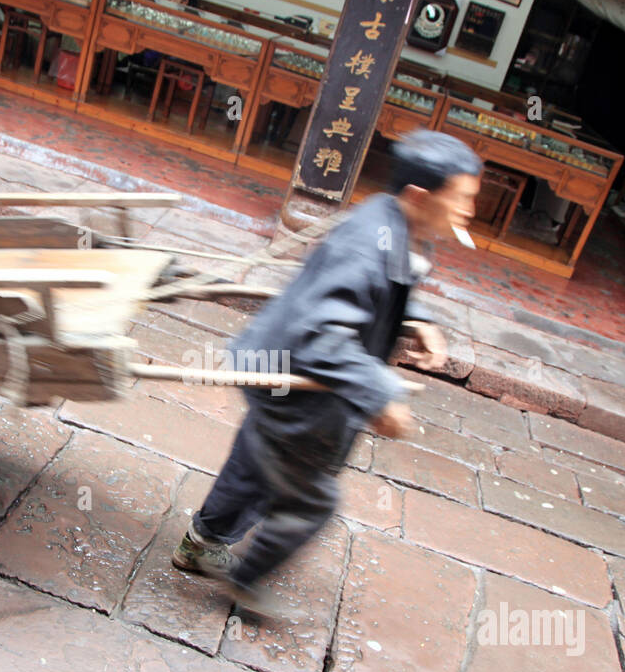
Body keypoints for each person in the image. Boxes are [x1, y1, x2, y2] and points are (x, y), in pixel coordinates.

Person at [172, 130, 483, 616]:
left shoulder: (394, 220)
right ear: (421, 196)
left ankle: (201, 542)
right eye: (461, 199)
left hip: (273, 361)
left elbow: (383, 291)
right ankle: (245, 585)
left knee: (255, 463)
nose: (467, 212)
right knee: (311, 501)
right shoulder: (370, 242)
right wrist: (381, 394)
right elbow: (325, 335)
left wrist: (418, 320)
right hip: (293, 380)